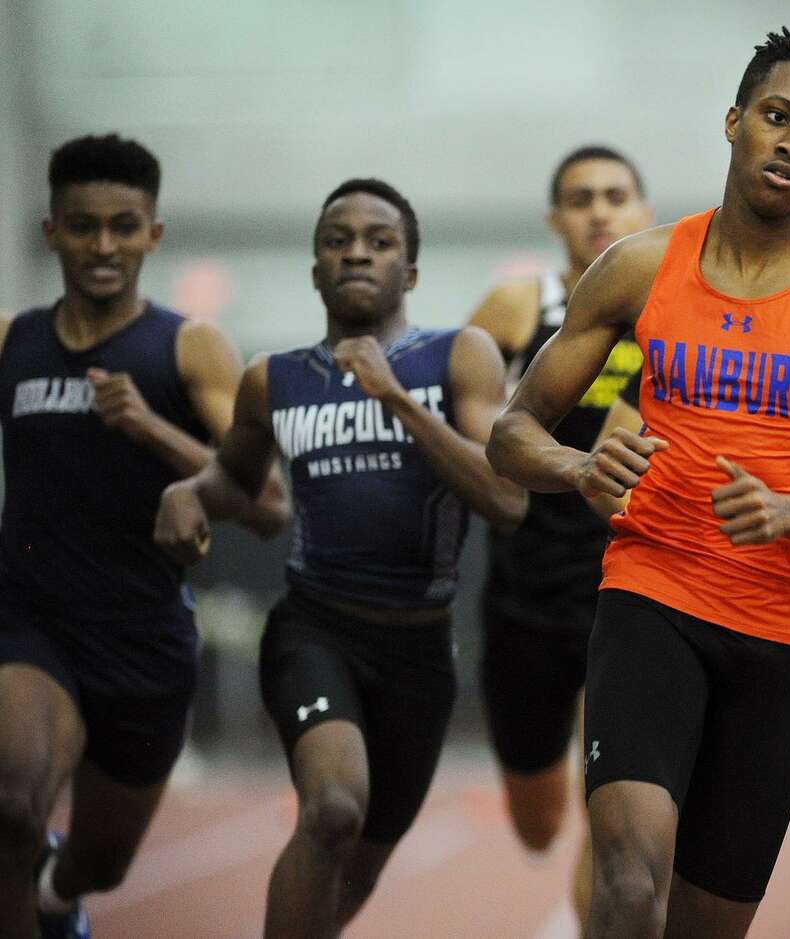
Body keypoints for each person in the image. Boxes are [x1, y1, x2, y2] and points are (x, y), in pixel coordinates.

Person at [487, 28, 790, 939]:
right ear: (736, 120)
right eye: (777, 118)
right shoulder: (638, 264)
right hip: (651, 595)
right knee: (629, 876)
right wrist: (579, 467)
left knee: (708, 922)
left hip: (786, 630)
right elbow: (512, 435)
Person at [155, 177, 526, 939]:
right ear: (315, 268)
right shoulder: (273, 378)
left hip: (419, 650)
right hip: (315, 632)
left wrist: (395, 397)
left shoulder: (461, 355)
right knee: (331, 808)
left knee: (357, 865)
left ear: (410, 273)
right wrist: (190, 492)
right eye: (338, 240)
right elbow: (237, 475)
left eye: (379, 241)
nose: (357, 251)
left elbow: (506, 497)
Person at [0, 133, 289, 939]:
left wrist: (150, 427)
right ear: (51, 231)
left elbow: (267, 502)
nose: (103, 246)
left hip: (140, 631)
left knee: (101, 861)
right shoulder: (13, 342)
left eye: (123, 226)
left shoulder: (188, 345)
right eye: (83, 225)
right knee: (11, 806)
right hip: (29, 619)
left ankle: (59, 899)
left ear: (152, 234)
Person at [467, 144, 650, 921]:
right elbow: (468, 431)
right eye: (580, 198)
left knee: (616, 819)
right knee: (540, 821)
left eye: (615, 195)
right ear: (555, 218)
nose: (599, 211)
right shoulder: (518, 307)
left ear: (642, 211)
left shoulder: (669, 310)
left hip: (631, 588)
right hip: (525, 597)